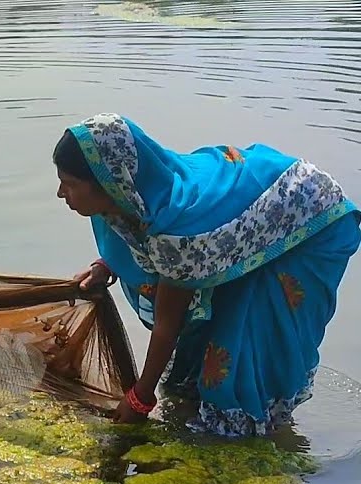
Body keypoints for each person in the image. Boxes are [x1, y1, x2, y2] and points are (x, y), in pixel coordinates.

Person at [54, 113, 360, 436]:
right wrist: (106, 265)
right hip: (243, 213)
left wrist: (140, 398)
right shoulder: (132, 194)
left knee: (243, 343)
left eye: (71, 184)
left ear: (109, 184)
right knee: (199, 357)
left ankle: (255, 425)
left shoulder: (177, 233)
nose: (61, 193)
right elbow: (132, 236)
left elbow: (166, 326)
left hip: (308, 223)